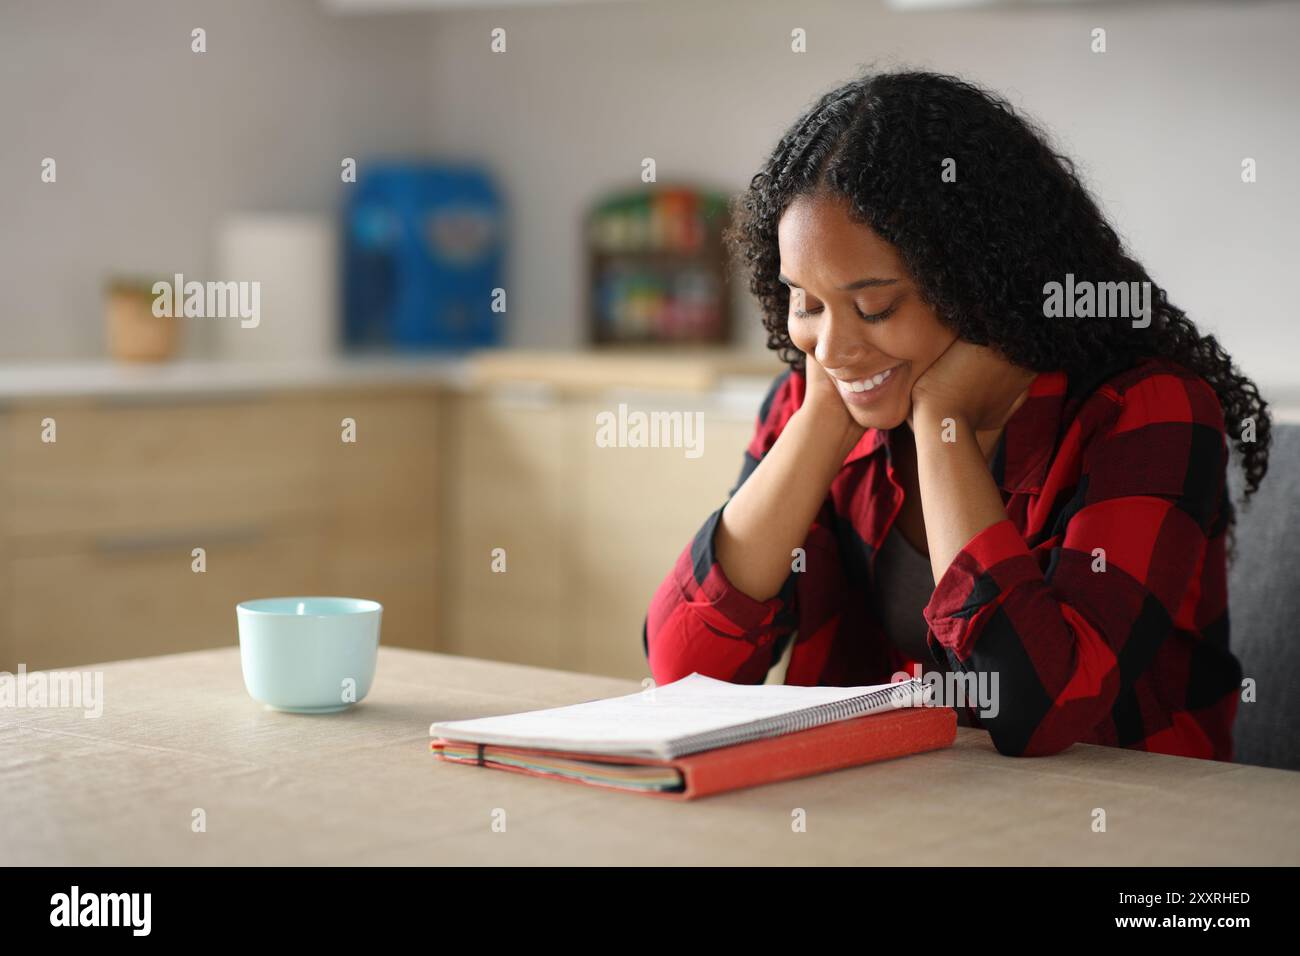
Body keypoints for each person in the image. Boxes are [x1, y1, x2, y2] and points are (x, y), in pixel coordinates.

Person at [643, 70, 1270, 761]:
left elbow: (1037, 707)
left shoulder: (1148, 413)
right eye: (807, 303)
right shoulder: (815, 398)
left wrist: (942, 424)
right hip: (898, 814)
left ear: (974, 282)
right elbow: (685, 671)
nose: (834, 347)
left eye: (875, 307)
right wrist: (822, 420)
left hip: (1120, 824)